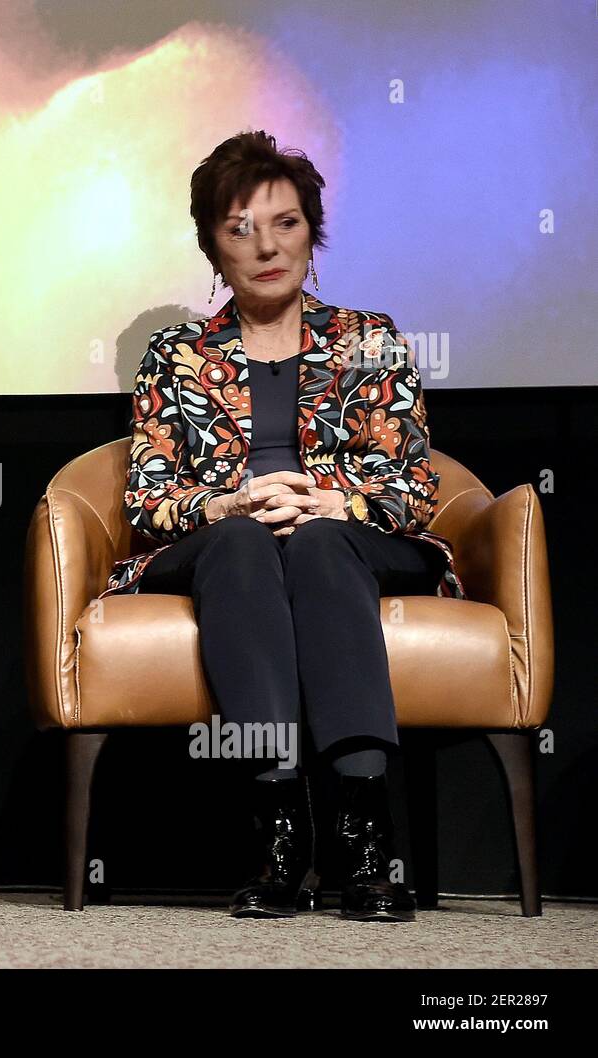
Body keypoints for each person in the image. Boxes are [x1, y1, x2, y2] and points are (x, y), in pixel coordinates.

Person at [101, 130, 463, 922]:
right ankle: (279, 835)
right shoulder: (177, 354)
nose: (266, 246)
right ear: (211, 247)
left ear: (314, 231)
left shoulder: (366, 338)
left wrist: (331, 500)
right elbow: (149, 497)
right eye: (239, 229)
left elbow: (412, 484)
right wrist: (234, 501)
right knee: (240, 541)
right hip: (225, 541)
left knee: (323, 544)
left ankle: (366, 843)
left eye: (286, 223)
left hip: (348, 537)